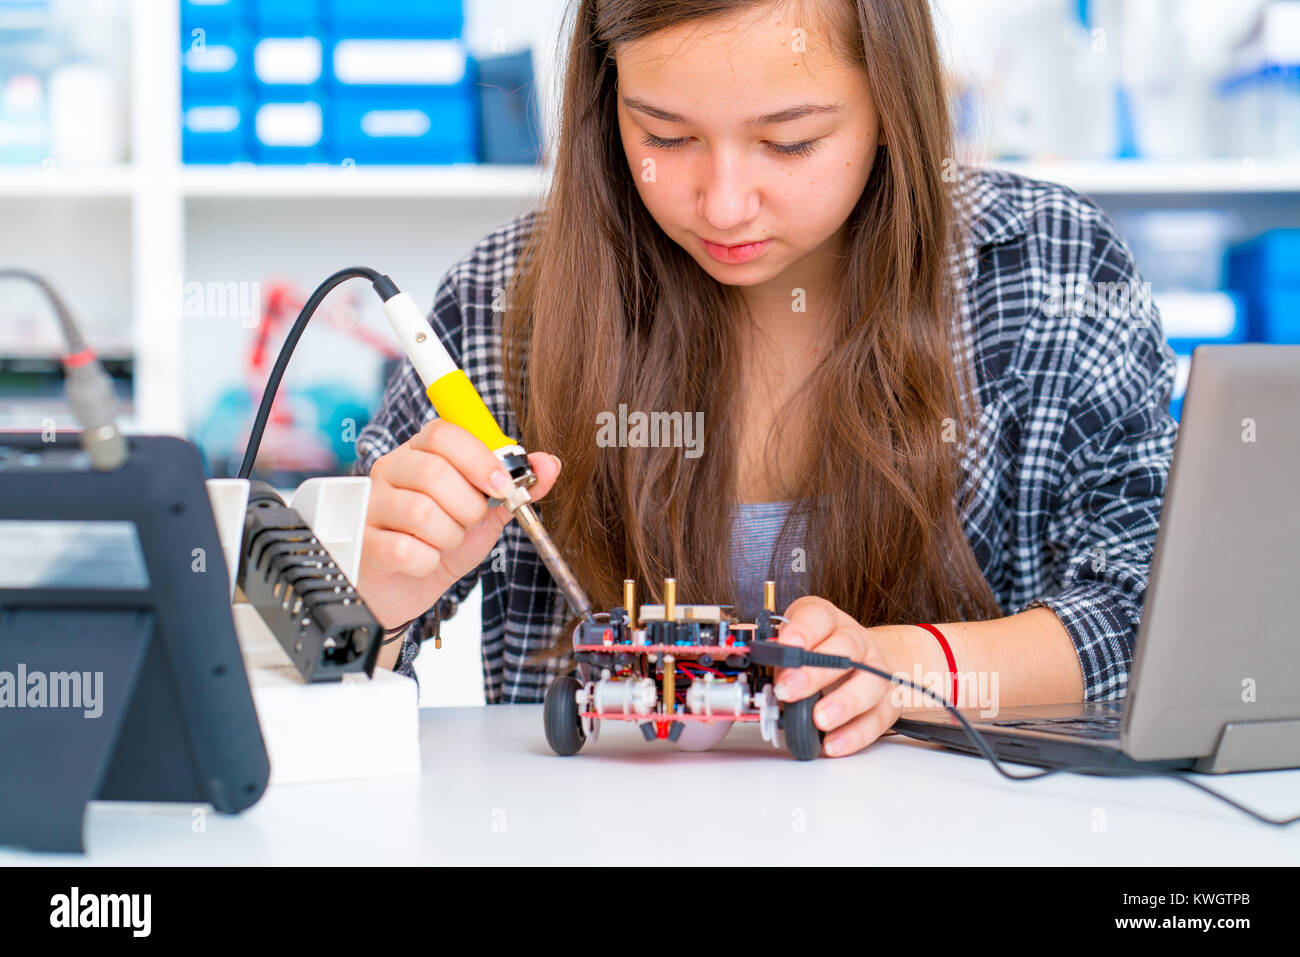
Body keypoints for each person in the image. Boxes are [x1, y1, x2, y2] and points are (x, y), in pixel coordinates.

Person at [353, 0, 1177, 758]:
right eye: (664, 135)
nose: (723, 205)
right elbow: (315, 658)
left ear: (892, 105)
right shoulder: (508, 300)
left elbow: (1154, 614)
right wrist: (380, 593)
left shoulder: (1049, 270)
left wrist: (897, 666)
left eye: (789, 141)